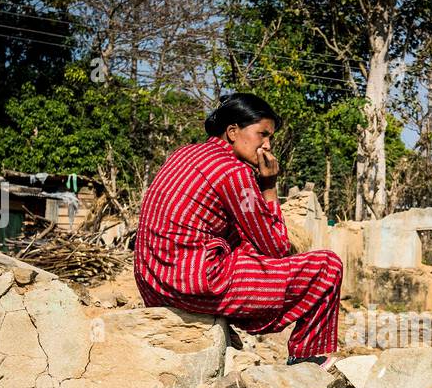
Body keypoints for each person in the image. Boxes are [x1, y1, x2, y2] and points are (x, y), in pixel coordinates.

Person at [134, 93, 343, 365]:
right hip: (191, 284)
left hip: (152, 282)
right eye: (262, 135)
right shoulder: (234, 172)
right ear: (232, 131)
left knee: (241, 238)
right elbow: (276, 248)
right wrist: (269, 186)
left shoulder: (184, 153)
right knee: (328, 266)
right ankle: (306, 357)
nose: (267, 145)